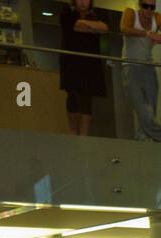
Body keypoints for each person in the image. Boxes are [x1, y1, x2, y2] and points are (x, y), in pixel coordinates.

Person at [121, 1, 161, 142]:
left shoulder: (156, 17)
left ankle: (143, 139)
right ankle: (159, 136)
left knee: (151, 109)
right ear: (140, 5)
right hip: (130, 66)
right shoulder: (131, 13)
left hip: (148, 67)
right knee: (141, 108)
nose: (149, 10)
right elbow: (125, 28)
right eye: (145, 6)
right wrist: (149, 34)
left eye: (152, 7)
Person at [59, 0, 108, 137]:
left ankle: (84, 135)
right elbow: (74, 26)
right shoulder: (67, 11)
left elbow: (104, 28)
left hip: (90, 64)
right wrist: (93, 27)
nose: (83, 2)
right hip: (71, 62)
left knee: (87, 100)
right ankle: (73, 131)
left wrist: (84, 24)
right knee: (73, 97)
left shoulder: (96, 14)